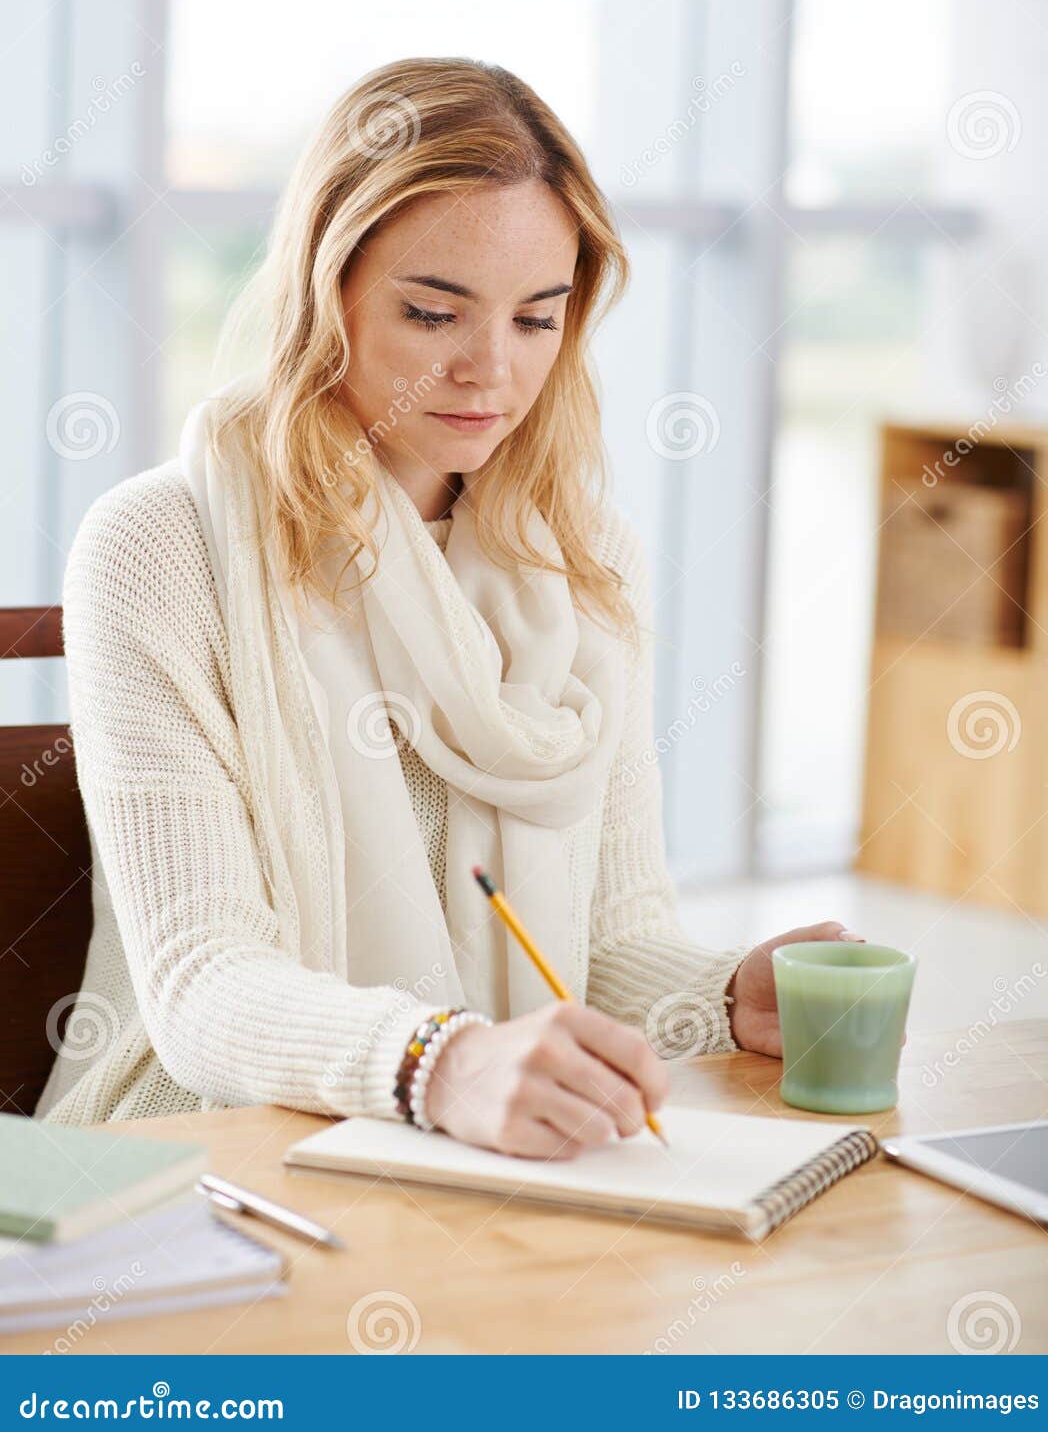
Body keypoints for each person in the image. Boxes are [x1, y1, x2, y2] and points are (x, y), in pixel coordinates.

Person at [36, 57, 863, 1156]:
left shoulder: (585, 560)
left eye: (537, 319)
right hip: (204, 1153)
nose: (490, 370)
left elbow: (604, 948)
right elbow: (203, 981)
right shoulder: (159, 548)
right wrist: (443, 1063)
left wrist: (723, 997)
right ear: (326, 292)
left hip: (471, 1153)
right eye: (434, 313)